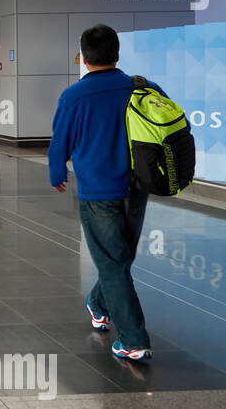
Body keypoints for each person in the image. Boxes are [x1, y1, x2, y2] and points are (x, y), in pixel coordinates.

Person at [48, 24, 161, 364]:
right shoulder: (144, 88)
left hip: (98, 191)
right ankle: (98, 305)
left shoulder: (73, 97)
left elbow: (59, 145)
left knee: (114, 263)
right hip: (137, 188)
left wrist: (57, 175)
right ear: (117, 54)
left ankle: (133, 341)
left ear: (82, 57)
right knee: (119, 259)